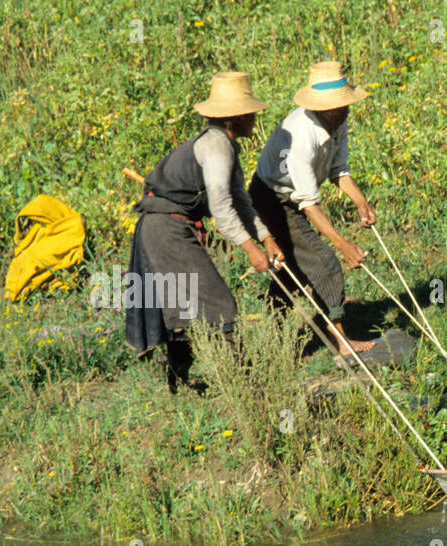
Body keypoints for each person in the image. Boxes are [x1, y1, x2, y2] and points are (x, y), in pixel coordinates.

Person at [125, 72, 284, 393]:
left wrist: (266, 238)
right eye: (250, 113)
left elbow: (239, 201)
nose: (254, 118)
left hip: (167, 227)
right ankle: (246, 385)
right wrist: (251, 250)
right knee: (219, 304)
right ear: (235, 117)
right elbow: (221, 207)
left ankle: (177, 382)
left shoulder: (226, 146)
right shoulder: (215, 147)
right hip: (165, 229)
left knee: (185, 305)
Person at [250, 61, 378, 362]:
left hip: (294, 197)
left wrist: (361, 202)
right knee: (324, 262)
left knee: (294, 268)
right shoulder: (300, 137)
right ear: (325, 108)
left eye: (347, 103)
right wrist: (343, 244)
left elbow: (339, 169)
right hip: (272, 198)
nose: (346, 110)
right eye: (341, 105)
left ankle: (274, 334)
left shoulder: (338, 121)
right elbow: (308, 204)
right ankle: (340, 342)